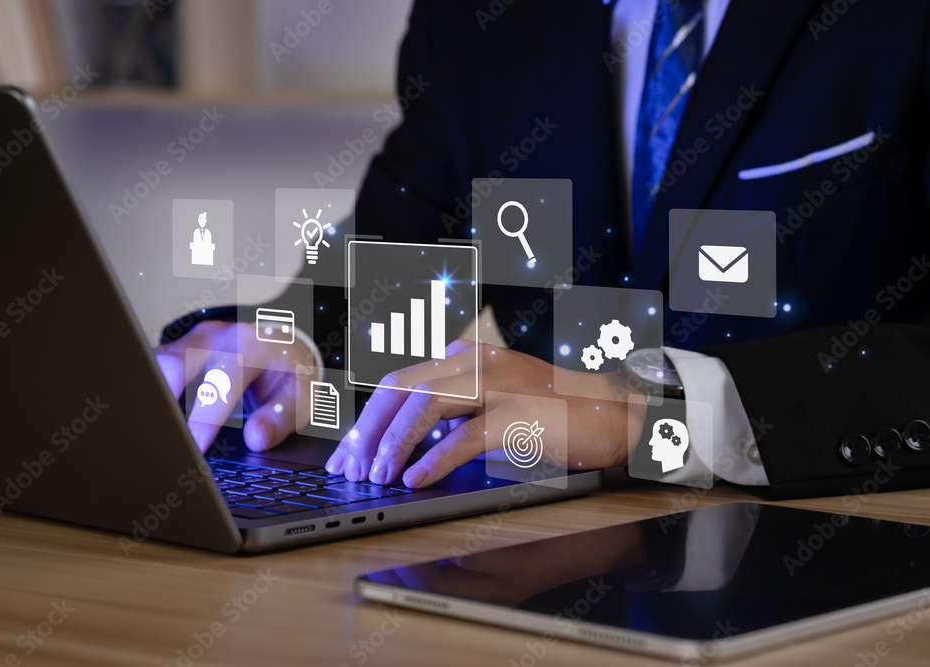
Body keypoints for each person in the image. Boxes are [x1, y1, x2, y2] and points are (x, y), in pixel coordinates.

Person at [156, 0, 930, 499]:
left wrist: (651, 411)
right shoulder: (474, 22)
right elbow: (387, 270)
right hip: (545, 558)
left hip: (852, 555)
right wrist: (286, 342)